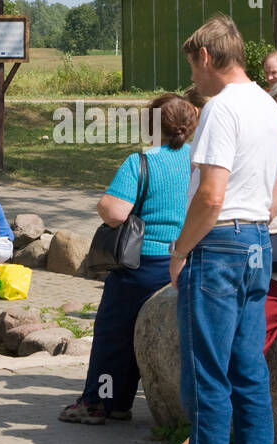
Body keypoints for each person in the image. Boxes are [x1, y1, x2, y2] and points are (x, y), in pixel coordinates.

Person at [150, 74, 277, 444]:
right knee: (239, 367)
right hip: (253, 257)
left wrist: (244, 227)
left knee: (226, 366)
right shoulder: (269, 142)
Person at [162, 15, 277, 444]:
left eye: (193, 67)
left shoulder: (220, 110)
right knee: (249, 373)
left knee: (208, 374)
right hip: (257, 240)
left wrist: (180, 249)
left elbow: (211, 196)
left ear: (207, 58)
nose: (193, 79)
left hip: (218, 246)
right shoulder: (268, 105)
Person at [59, 93, 198, 425]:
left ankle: (99, 403)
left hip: (143, 264)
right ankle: (121, 401)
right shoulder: (201, 160)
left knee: (113, 334)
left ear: (152, 124)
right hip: (187, 260)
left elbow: (114, 211)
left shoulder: (141, 162)